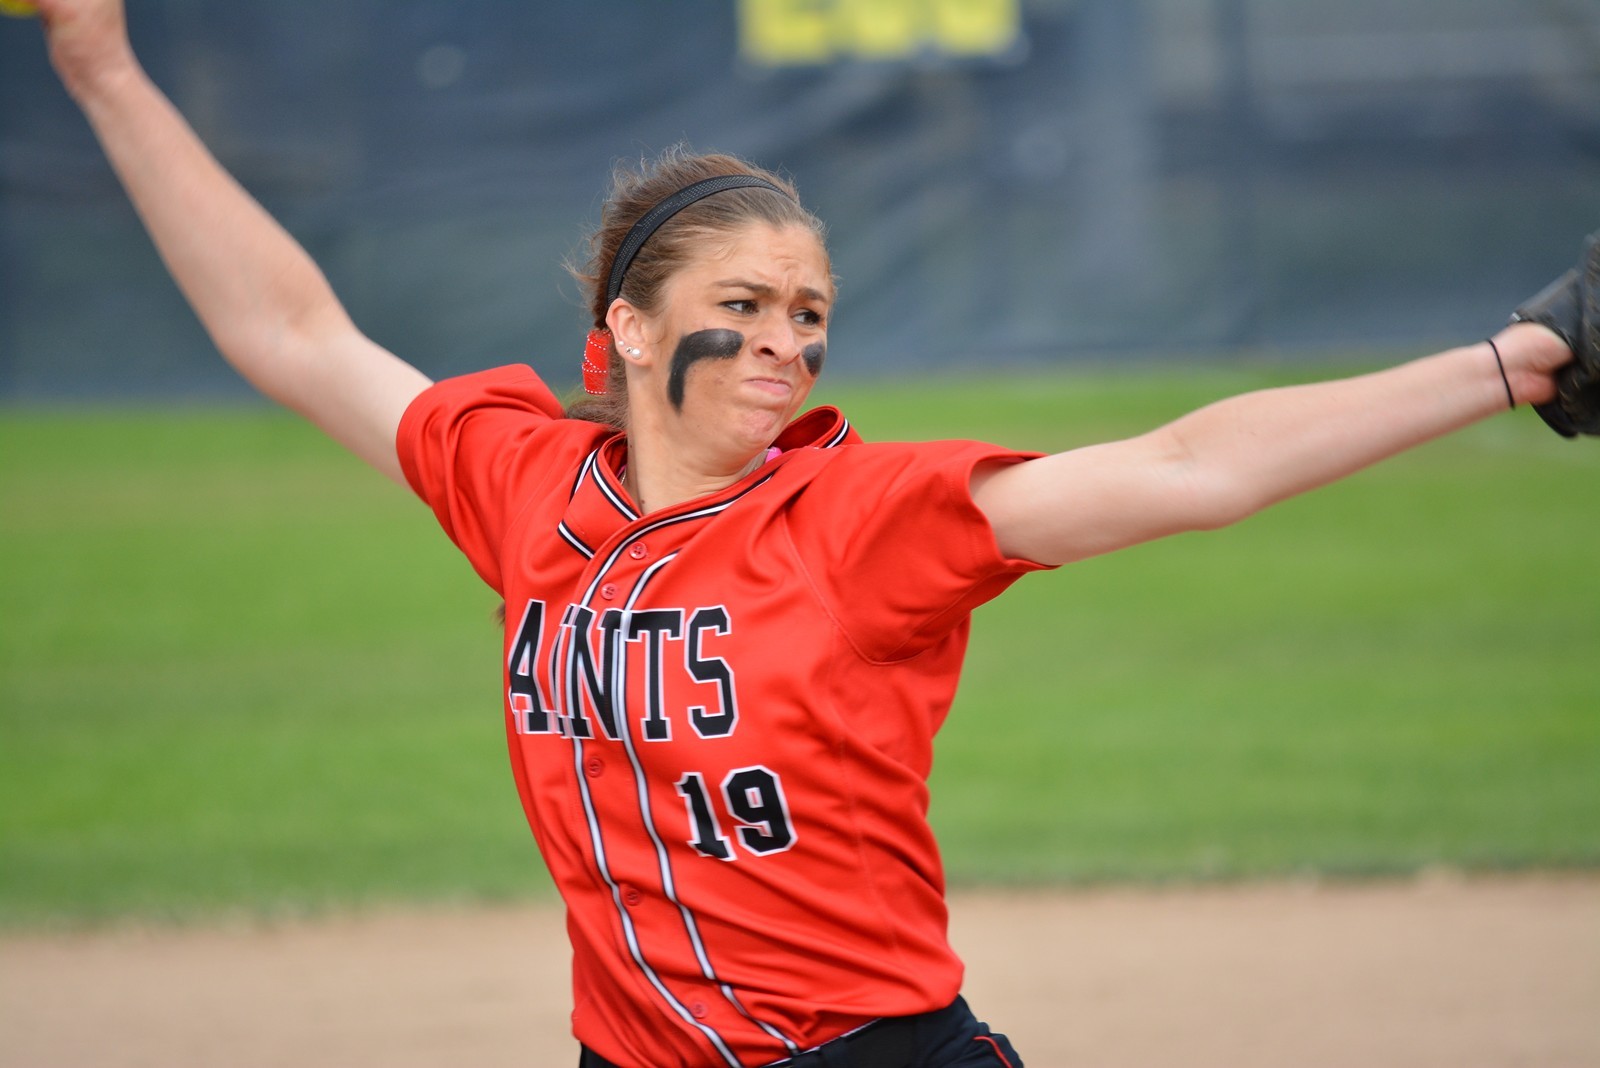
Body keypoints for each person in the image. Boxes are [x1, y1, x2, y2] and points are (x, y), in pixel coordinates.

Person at [30, 2, 1586, 1066]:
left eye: (811, 314)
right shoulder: (523, 487)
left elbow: (1188, 465)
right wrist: (101, 63)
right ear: (626, 329)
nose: (787, 342)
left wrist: (1509, 364)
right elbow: (292, 329)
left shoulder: (859, 515)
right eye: (744, 308)